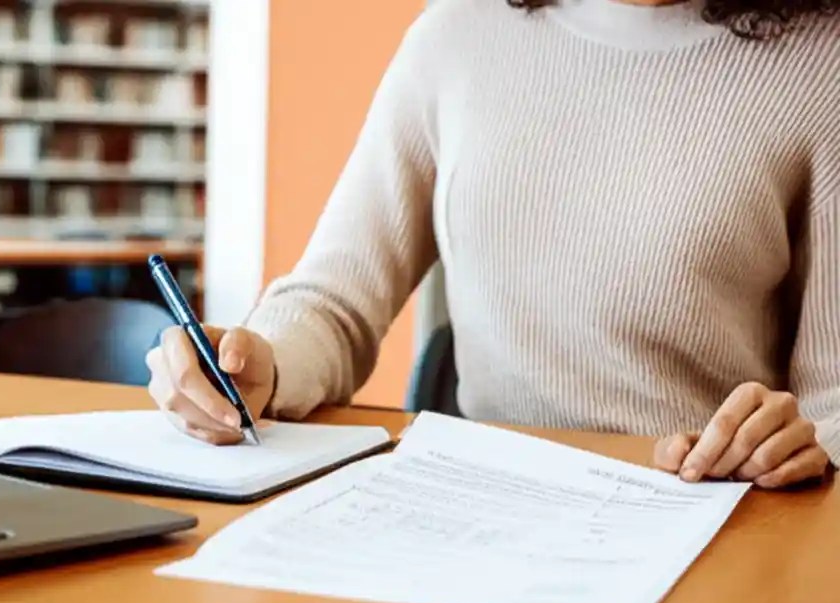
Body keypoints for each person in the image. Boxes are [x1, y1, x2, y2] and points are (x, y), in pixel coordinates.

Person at [146, 0, 840, 489]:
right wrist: (259, 364)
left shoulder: (820, 63)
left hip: (710, 515)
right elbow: (333, 299)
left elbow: (832, 407)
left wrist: (796, 448)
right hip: (486, 504)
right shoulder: (453, 36)